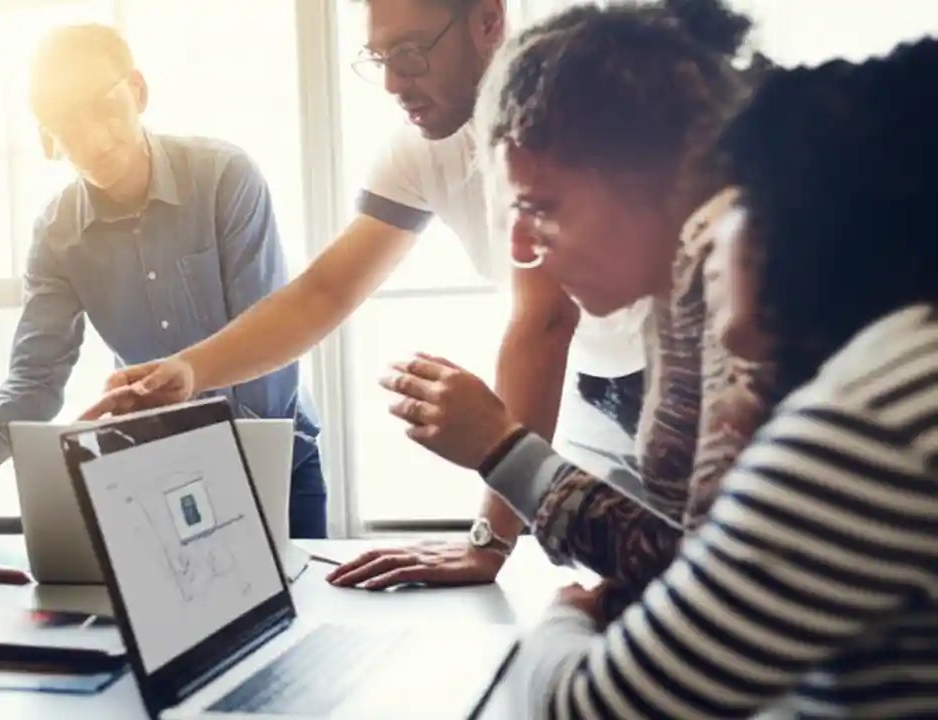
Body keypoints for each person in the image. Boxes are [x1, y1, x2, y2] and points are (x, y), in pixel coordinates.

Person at [84, 0, 650, 573]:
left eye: (410, 53)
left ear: (488, 20)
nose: (392, 82)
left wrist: (487, 544)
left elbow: (545, 321)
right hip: (601, 383)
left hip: (697, 381)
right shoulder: (423, 151)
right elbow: (323, 293)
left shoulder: (557, 116)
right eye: (379, 57)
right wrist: (191, 371)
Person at [504, 37, 938, 719]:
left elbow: (588, 708)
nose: (704, 237)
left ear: (795, 222)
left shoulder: (870, 417)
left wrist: (564, 615)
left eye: (732, 201)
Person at [327, 0, 776, 602]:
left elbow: (725, 602)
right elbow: (686, 559)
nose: (519, 249)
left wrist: (502, 451)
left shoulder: (758, 338)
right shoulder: (683, 309)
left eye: (541, 208)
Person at [0, 24, 329, 537]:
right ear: (48, 137)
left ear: (137, 91)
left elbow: (269, 341)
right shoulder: (57, 235)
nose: (92, 139)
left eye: (102, 106)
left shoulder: (224, 177)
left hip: (276, 460)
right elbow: (35, 377)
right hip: (164, 475)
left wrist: (235, 474)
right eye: (66, 124)